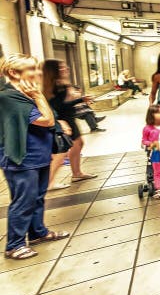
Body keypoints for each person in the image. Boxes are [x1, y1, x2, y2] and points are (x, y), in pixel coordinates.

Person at [0, 54, 70, 260]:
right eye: (31, 69)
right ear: (13, 73)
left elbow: (51, 117)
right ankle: (14, 245)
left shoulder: (25, 94)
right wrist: (39, 96)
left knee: (37, 197)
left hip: (38, 154)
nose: (38, 73)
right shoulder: (9, 97)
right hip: (22, 158)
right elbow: (47, 120)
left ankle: (37, 232)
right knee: (24, 200)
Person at [42, 59, 97, 190]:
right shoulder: (56, 86)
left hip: (68, 118)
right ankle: (49, 182)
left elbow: (62, 104)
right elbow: (58, 106)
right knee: (61, 152)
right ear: (53, 70)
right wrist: (78, 100)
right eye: (61, 67)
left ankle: (77, 173)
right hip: (63, 120)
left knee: (78, 144)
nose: (65, 68)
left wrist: (80, 99)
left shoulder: (59, 84)